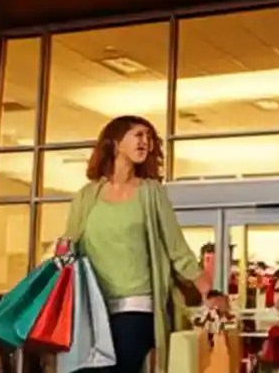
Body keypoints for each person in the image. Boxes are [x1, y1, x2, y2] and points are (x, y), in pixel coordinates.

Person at [63, 115, 218, 373]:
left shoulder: (151, 192)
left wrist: (207, 288)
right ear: (114, 142)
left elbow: (176, 247)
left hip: (137, 305)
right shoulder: (86, 197)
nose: (145, 142)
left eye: (149, 137)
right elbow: (69, 247)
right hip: (92, 306)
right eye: (138, 135)